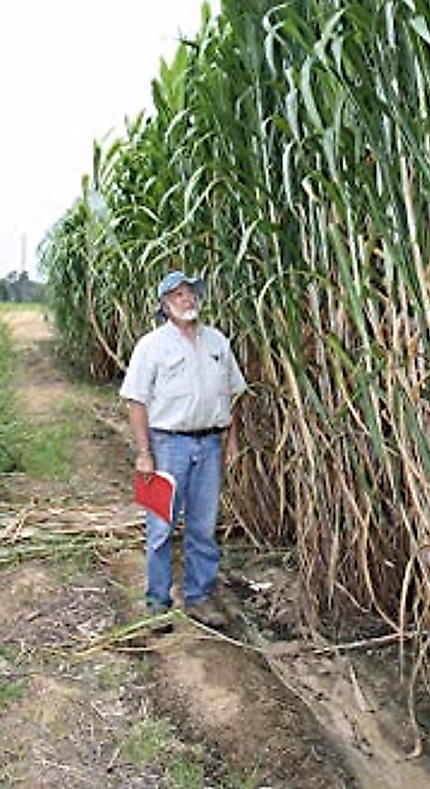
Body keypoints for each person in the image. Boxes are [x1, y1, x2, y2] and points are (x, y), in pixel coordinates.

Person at [119, 270, 246, 630]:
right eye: (178, 295)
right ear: (164, 305)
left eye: (190, 293)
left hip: (210, 445)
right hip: (166, 446)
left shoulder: (217, 342)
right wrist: (144, 453)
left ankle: (198, 598)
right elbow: (136, 401)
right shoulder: (151, 346)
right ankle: (157, 603)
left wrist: (231, 439)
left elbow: (233, 393)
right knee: (160, 527)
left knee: (203, 527)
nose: (187, 299)